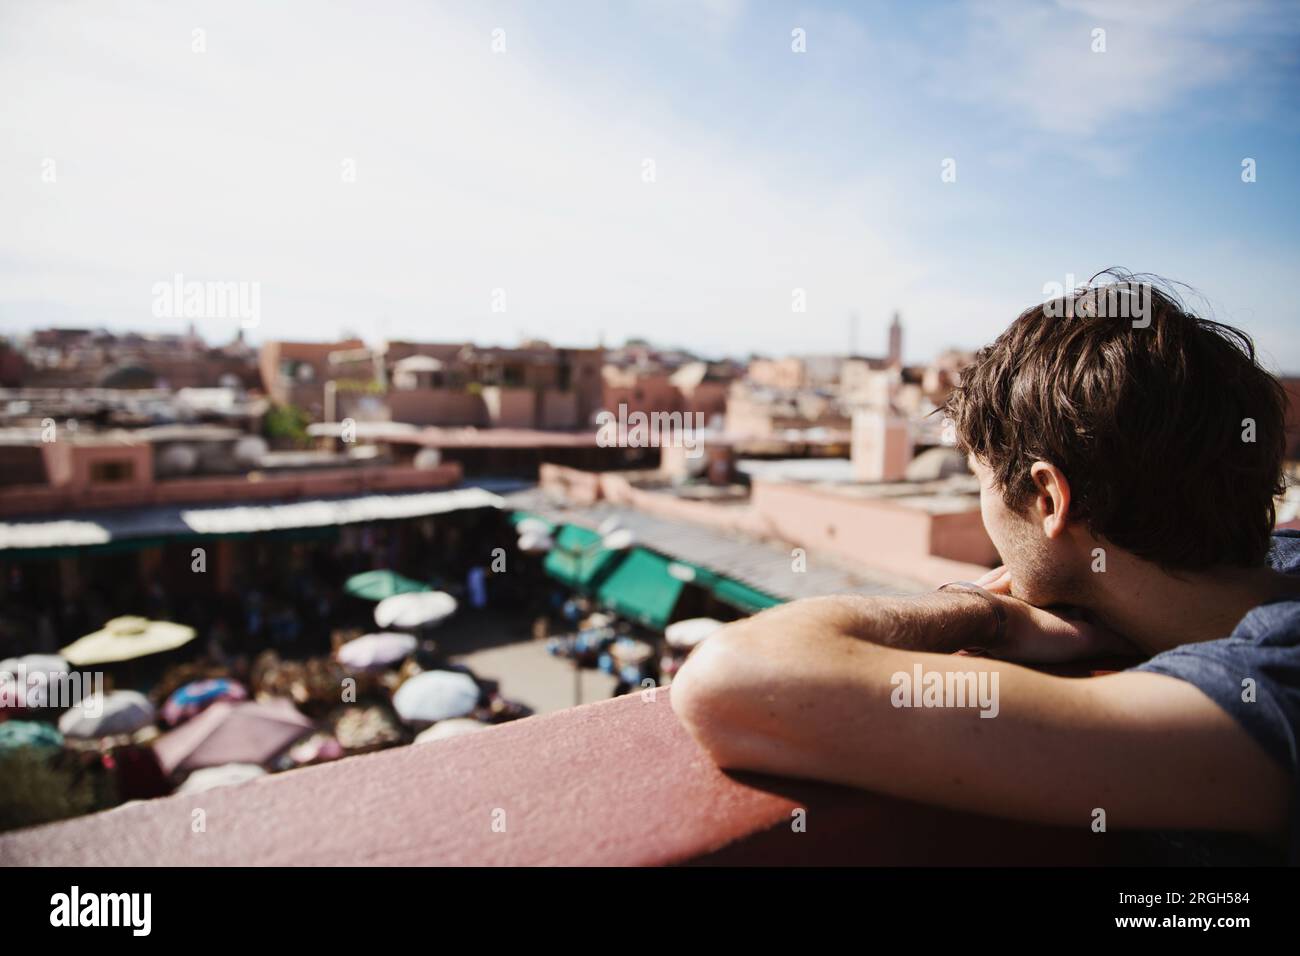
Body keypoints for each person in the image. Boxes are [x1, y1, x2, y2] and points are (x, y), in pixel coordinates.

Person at [671, 272, 1300, 863]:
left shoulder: (1264, 696)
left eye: (980, 482)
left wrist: (979, 610)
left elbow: (730, 681)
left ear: (1049, 499)